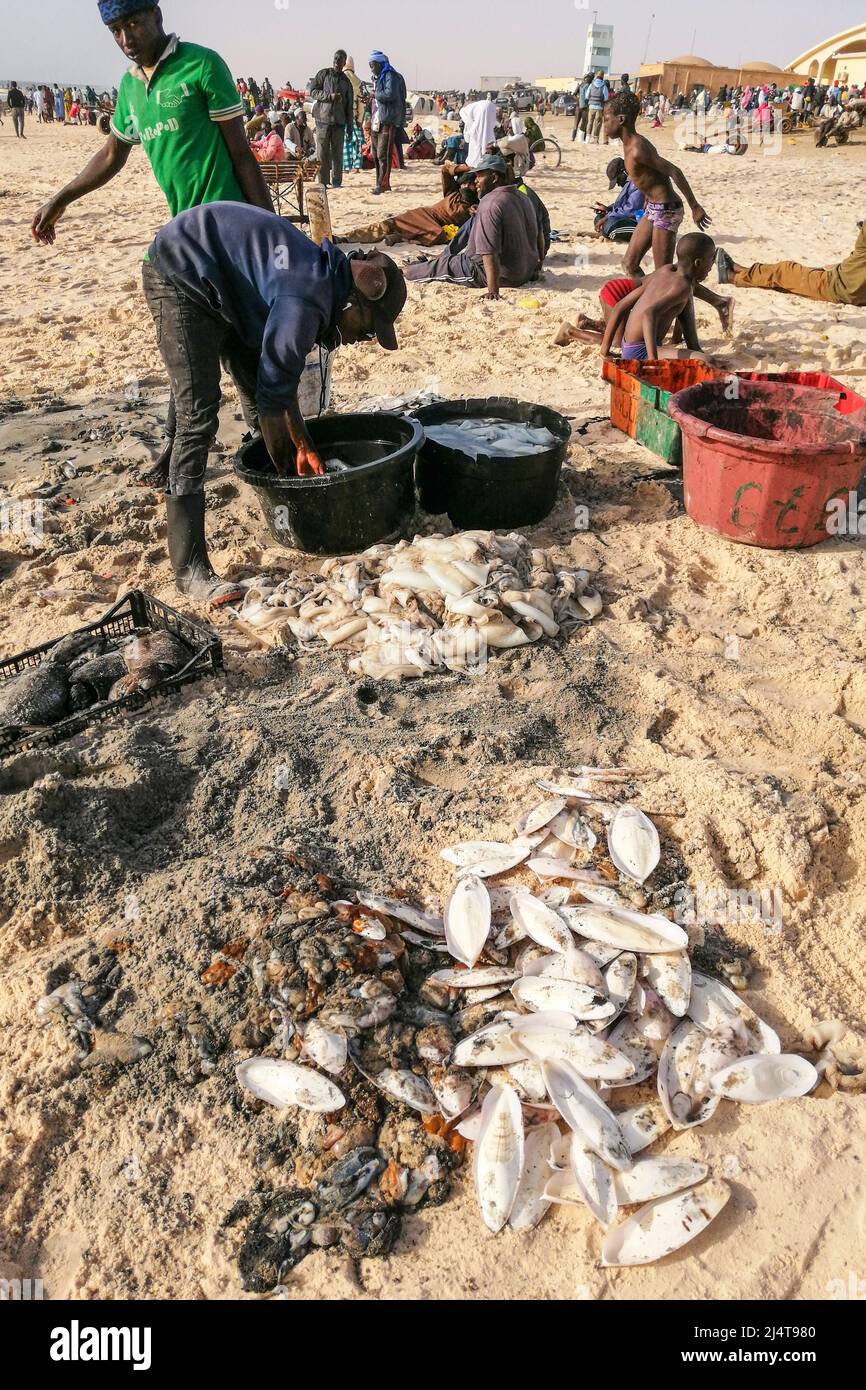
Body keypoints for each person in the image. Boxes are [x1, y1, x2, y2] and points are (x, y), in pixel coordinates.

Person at [32, 1, 273, 490]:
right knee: (187, 353)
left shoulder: (203, 65)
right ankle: (178, 449)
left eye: (134, 23)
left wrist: (271, 234)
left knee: (251, 359)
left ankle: (268, 450)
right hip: (184, 249)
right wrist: (62, 197)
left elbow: (242, 156)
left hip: (230, 237)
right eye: (116, 29)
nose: (126, 37)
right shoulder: (129, 88)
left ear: (158, 16)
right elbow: (112, 153)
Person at [143, 203, 406, 605]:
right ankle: (189, 568)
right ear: (353, 303)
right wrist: (289, 476)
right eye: (368, 329)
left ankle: (170, 466)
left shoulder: (319, 278)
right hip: (182, 271)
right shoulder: (306, 301)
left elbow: (276, 382)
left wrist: (304, 443)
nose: (359, 339)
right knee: (200, 411)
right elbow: (272, 400)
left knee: (246, 383)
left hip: (226, 283)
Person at [604, 89, 732, 334]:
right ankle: (657, 305)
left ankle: (715, 304)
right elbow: (651, 179)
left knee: (669, 277)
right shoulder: (628, 145)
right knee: (630, 264)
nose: (603, 125)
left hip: (667, 210)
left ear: (621, 120)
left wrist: (694, 206)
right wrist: (646, 201)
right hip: (652, 208)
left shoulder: (638, 147)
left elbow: (673, 171)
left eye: (606, 119)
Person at [405, 153, 540, 298]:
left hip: (498, 275)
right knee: (473, 221)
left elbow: (489, 253)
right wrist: (536, 267)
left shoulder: (491, 204)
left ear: (494, 178)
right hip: (525, 271)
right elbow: (540, 239)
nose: (476, 182)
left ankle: (406, 272)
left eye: (480, 176)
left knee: (442, 266)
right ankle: (443, 256)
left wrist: (493, 291)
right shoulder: (522, 197)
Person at [588, 232, 717, 360]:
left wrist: (605, 351)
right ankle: (692, 353)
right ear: (698, 263)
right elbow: (649, 314)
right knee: (706, 360)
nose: (711, 266)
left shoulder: (665, 271)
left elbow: (620, 306)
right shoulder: (682, 287)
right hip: (642, 350)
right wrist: (653, 360)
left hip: (628, 346)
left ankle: (694, 347)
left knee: (687, 298)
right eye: (712, 260)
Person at [716, 222, 866, 306]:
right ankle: (744, 271)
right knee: (790, 280)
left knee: (784, 271)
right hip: (854, 292)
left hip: (835, 286)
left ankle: (731, 277)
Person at [336, 160, 476, 246]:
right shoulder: (452, 192)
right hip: (423, 215)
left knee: (439, 236)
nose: (468, 186)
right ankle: (346, 238)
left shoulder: (476, 205)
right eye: (465, 183)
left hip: (435, 228)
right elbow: (445, 169)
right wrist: (461, 169)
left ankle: (401, 238)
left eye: (471, 185)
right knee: (387, 225)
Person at [309, 49, 354, 189]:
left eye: (340, 59)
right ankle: (322, 181)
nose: (336, 61)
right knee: (322, 153)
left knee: (337, 154)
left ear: (343, 62)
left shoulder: (346, 82)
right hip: (322, 121)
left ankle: (336, 182)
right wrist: (329, 96)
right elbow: (313, 92)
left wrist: (350, 128)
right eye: (335, 58)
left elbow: (349, 107)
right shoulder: (323, 74)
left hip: (339, 123)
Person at [369, 51, 406, 195]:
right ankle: (379, 182)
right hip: (377, 119)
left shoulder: (390, 76)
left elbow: (390, 94)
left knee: (383, 153)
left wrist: (375, 94)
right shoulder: (379, 78)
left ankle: (383, 184)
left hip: (388, 119)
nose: (371, 68)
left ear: (379, 64)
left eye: (372, 65)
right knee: (376, 153)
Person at [593, 156, 645, 238]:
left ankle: (645, 234)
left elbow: (631, 209)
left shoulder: (637, 181)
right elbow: (625, 203)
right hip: (632, 216)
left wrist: (608, 216)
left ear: (623, 172)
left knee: (609, 227)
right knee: (599, 219)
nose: (617, 184)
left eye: (617, 180)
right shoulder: (629, 181)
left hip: (642, 220)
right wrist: (608, 209)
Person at [460, 97, 497, 167]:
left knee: (476, 149)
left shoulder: (465, 112)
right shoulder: (475, 107)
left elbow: (468, 126)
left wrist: (470, 131)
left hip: (483, 111)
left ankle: (477, 164)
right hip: (490, 108)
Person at [587, 70, 610, 144]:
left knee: (590, 122)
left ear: (597, 75)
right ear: (603, 76)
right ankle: (595, 139)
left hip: (591, 106)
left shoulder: (591, 84)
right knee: (598, 123)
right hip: (599, 107)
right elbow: (606, 98)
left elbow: (587, 95)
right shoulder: (604, 86)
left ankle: (587, 139)